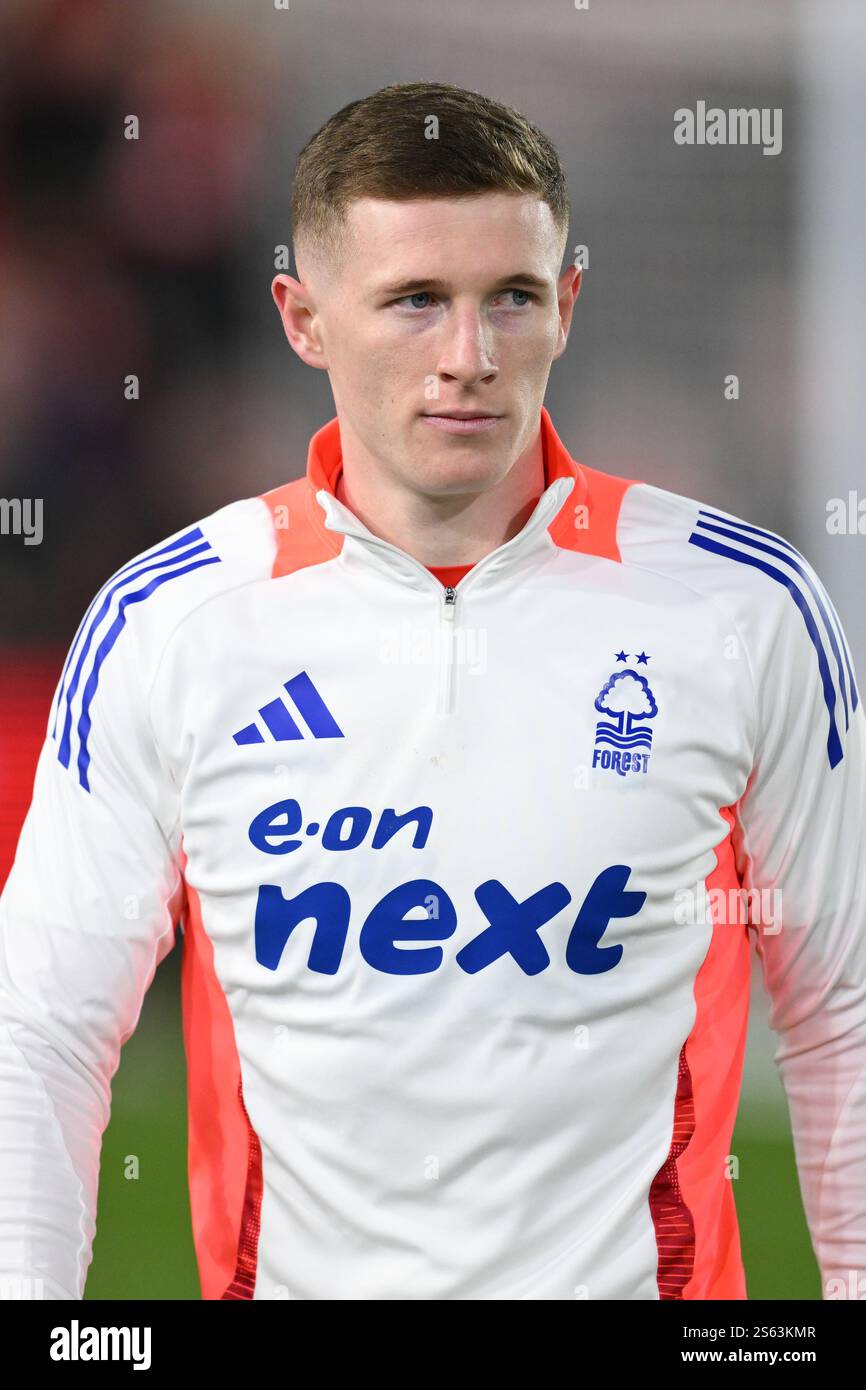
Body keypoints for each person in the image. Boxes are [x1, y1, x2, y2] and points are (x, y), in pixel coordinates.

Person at [1, 80, 864, 1302]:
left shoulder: (741, 608)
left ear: (565, 305)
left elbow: (845, 1014)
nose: (467, 358)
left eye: (508, 298)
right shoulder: (171, 624)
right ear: (302, 319)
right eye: (413, 302)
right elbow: (37, 1032)